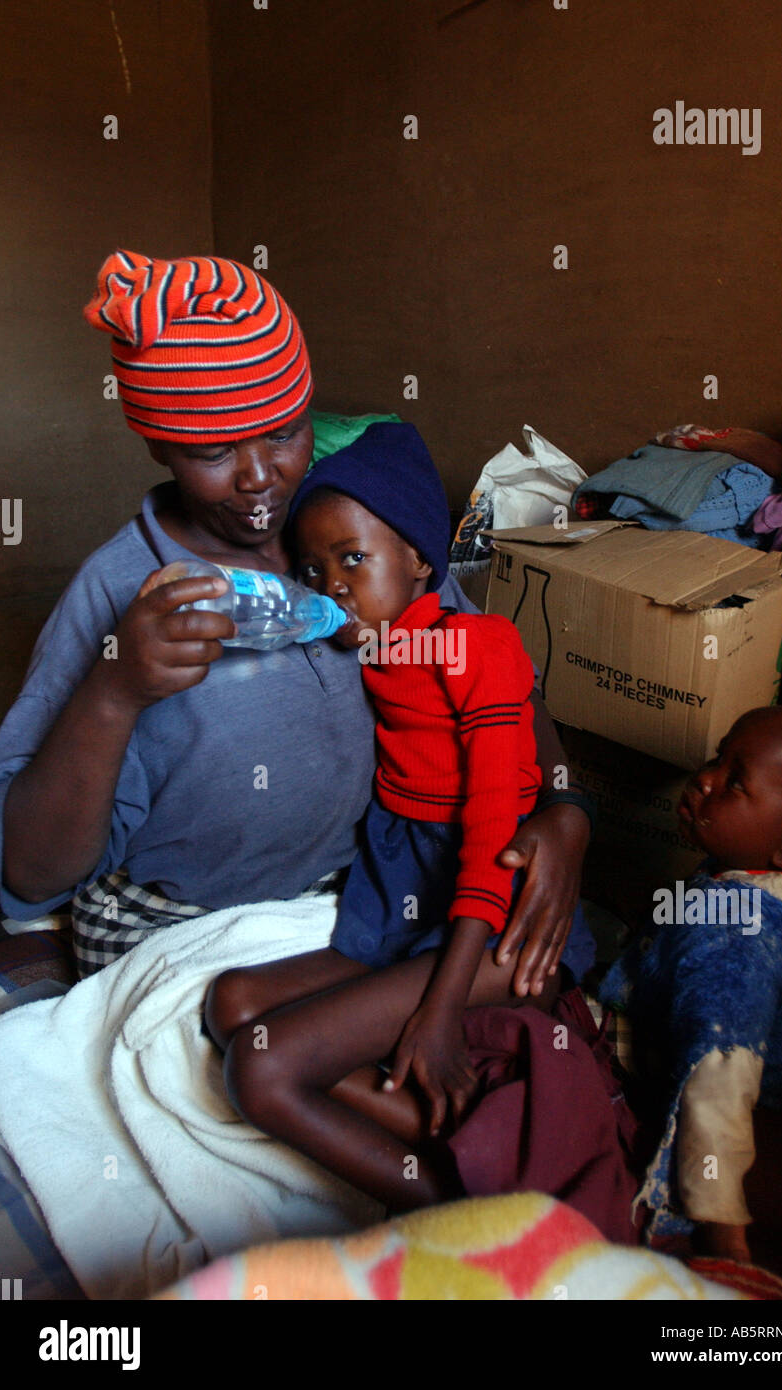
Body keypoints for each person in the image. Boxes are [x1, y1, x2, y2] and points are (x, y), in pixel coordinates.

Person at [0, 250, 591, 1008]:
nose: (258, 477)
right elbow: (32, 873)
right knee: (270, 1065)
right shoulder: (117, 594)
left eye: (282, 433)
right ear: (157, 446)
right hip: (181, 928)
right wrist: (112, 694)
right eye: (212, 450)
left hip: (367, 891)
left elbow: (495, 678)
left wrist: (569, 812)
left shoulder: (356, 528)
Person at [205, 424, 596, 1211]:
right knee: (231, 1005)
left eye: (353, 560)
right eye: (313, 571)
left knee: (260, 1065)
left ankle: (468, 1211)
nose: (333, 587)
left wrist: (441, 1008)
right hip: (404, 899)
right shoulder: (377, 655)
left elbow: (491, 834)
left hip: (497, 923)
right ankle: (440, 1125)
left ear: (420, 561)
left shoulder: (472, 647)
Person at [599, 706, 782, 1263]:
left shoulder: (726, 933)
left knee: (518, 1052)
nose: (704, 777)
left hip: (754, 1116)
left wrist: (720, 1234)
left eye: (735, 781)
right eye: (719, 755)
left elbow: (717, 1074)